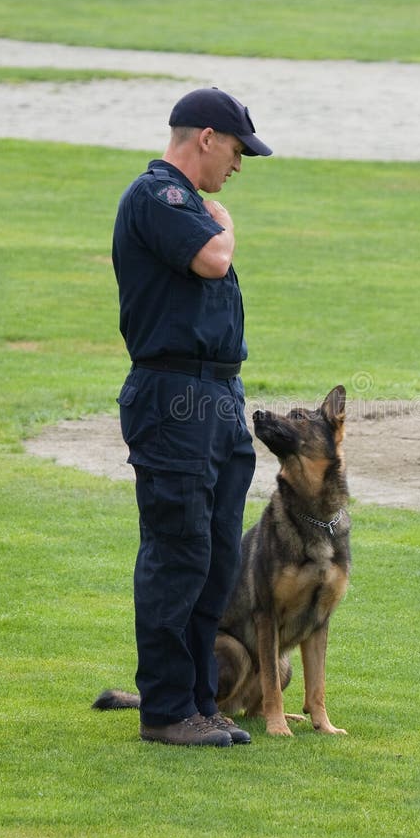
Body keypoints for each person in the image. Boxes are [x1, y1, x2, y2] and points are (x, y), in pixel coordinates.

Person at [112, 87, 272, 747]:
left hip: (214, 397)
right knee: (179, 550)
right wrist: (225, 222)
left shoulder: (190, 205)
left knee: (215, 557)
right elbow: (213, 258)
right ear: (205, 138)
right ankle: (168, 710)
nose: (238, 165)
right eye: (235, 151)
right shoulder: (161, 196)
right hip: (174, 397)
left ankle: (199, 702)